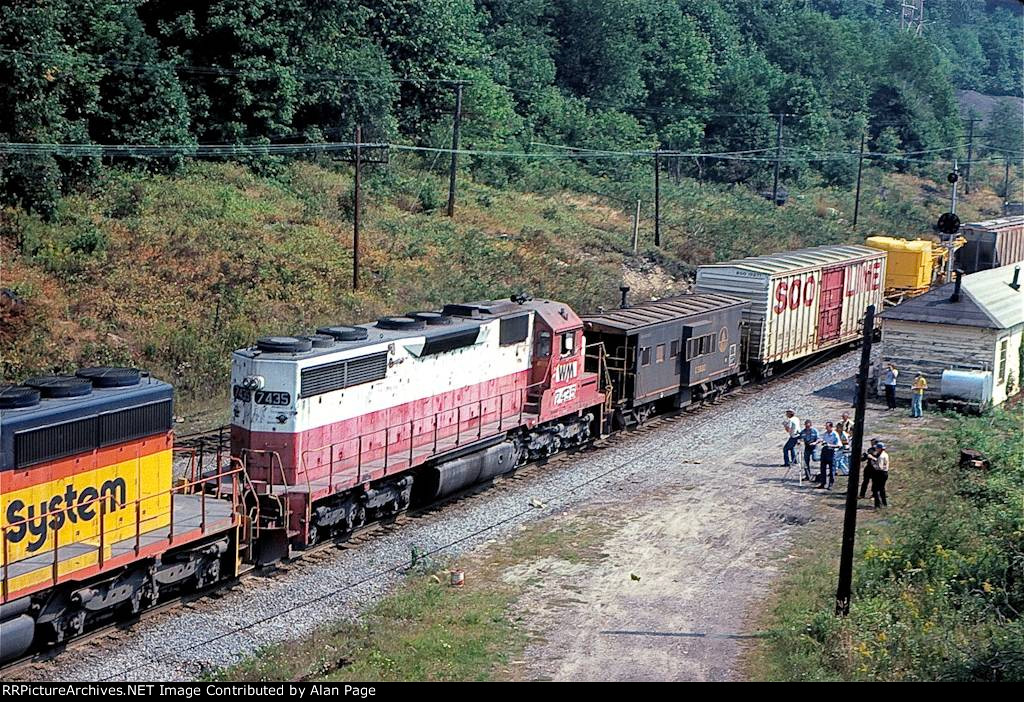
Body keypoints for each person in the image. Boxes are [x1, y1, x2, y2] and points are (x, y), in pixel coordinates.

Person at [818, 421, 842, 489]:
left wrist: (830, 445)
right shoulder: (825, 434)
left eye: (827, 426)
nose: (826, 428)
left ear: (831, 427)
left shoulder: (835, 434)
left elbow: (839, 445)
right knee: (823, 468)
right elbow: (822, 439)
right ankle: (823, 483)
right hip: (824, 451)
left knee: (832, 469)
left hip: (831, 452)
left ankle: (831, 484)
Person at [872, 442, 890, 508]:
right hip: (884, 473)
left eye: (877, 448)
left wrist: (873, 462)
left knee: (875, 489)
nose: (876, 449)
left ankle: (878, 504)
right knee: (881, 489)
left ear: (879, 449)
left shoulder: (881, 457)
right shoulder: (885, 454)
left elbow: (879, 467)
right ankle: (884, 503)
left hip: (880, 473)